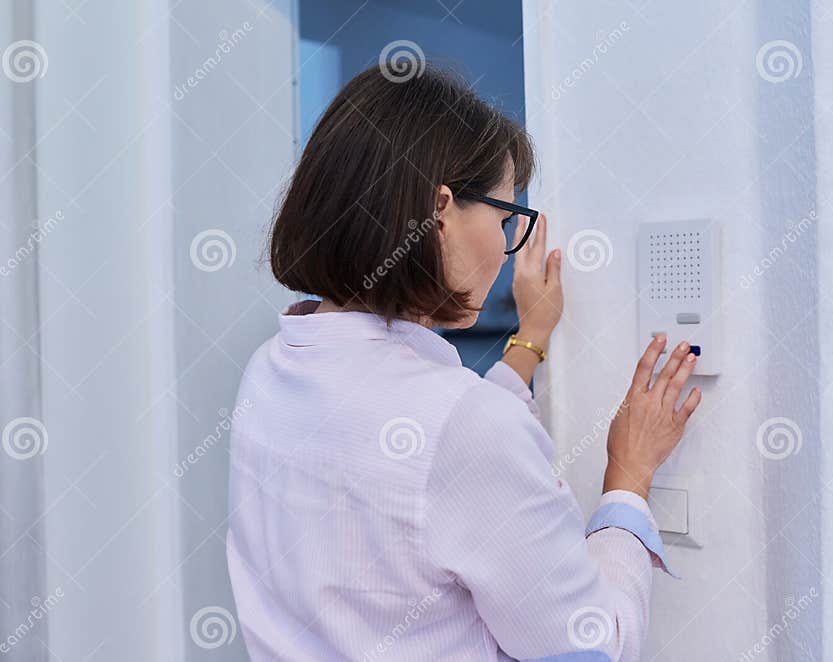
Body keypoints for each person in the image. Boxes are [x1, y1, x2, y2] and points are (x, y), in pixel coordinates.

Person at [226, 62, 701, 662]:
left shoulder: (270, 371)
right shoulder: (463, 426)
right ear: (441, 211)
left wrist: (529, 340)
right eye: (505, 218)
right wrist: (628, 478)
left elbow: (424, 467)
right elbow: (594, 647)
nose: (508, 247)